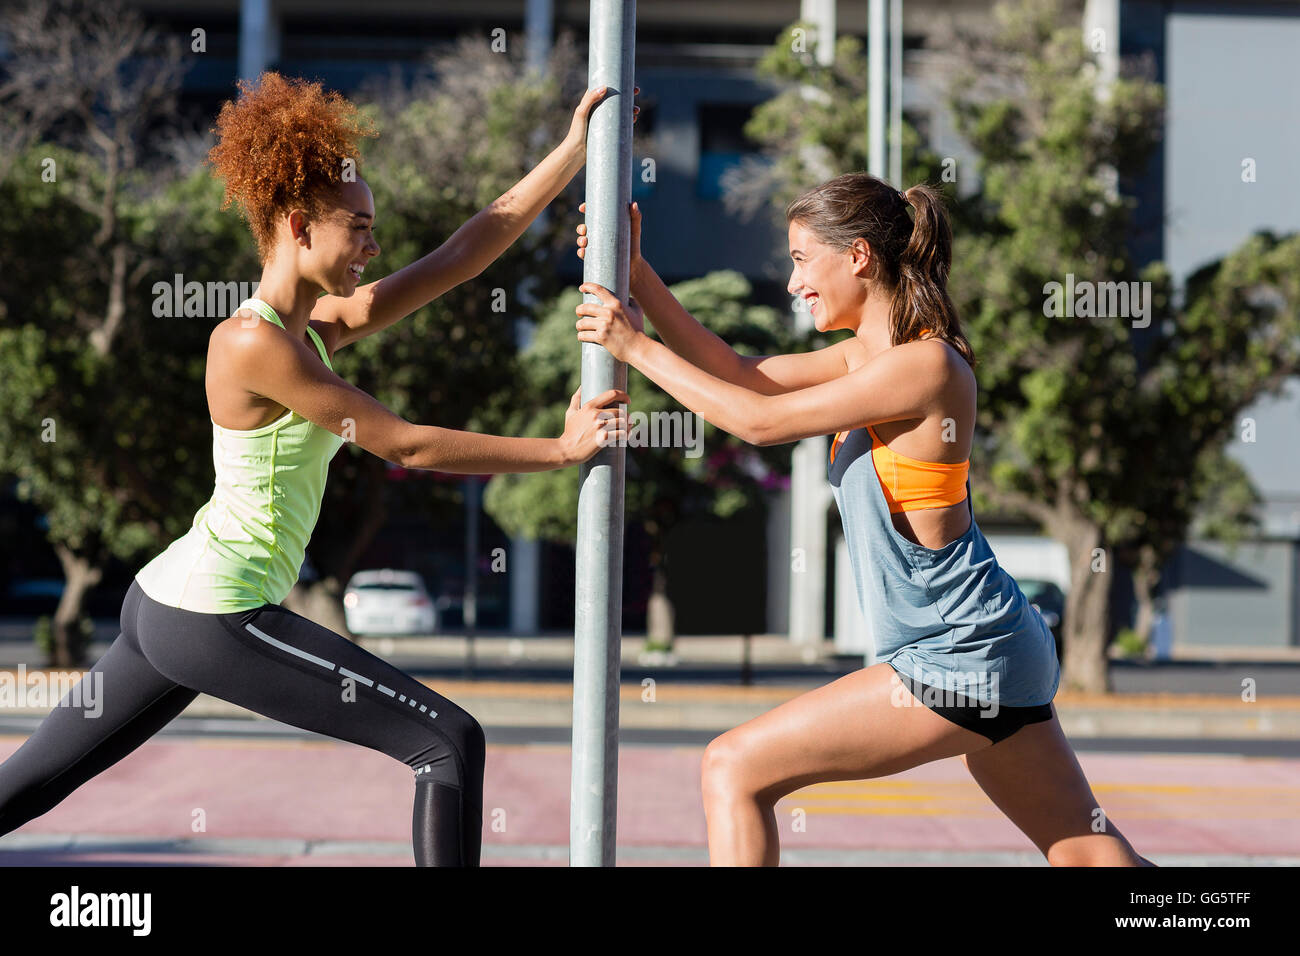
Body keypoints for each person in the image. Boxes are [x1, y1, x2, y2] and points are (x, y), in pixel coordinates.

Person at [0, 72, 629, 867]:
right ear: (299, 225)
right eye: (358, 228)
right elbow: (403, 444)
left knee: (25, 788)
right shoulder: (250, 344)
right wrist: (562, 450)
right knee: (447, 741)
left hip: (171, 602)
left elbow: (463, 255)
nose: (372, 246)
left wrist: (572, 151)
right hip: (212, 613)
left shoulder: (316, 327)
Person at [572, 173, 1155, 867]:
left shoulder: (926, 366)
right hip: (991, 649)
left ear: (857, 256)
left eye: (799, 260)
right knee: (1088, 857)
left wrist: (634, 348)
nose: (792, 285)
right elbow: (738, 374)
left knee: (733, 766)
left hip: (958, 654)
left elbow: (758, 423)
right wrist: (639, 277)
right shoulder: (866, 358)